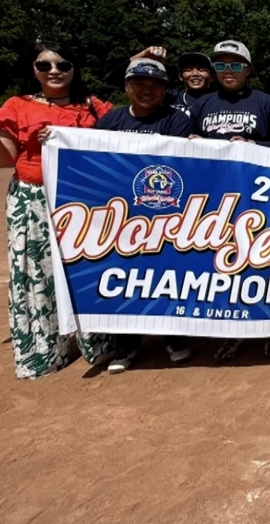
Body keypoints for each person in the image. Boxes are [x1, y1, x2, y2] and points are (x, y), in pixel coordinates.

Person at [0, 40, 115, 379]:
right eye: (44, 65)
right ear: (33, 70)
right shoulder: (18, 106)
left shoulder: (94, 107)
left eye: (63, 64)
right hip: (34, 198)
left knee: (89, 268)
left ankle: (100, 341)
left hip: (85, 199)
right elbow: (4, 159)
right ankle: (42, 350)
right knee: (37, 271)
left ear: (74, 69)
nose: (54, 71)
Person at [189, 40, 270, 362]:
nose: (228, 71)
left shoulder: (265, 103)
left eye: (235, 65)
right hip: (215, 200)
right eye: (221, 65)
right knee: (226, 263)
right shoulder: (202, 104)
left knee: (266, 261)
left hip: (259, 197)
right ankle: (235, 330)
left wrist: (254, 145)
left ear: (249, 69)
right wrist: (191, 143)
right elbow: (180, 149)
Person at [94, 58, 195, 372]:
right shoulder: (111, 120)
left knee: (166, 275)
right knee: (120, 276)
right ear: (127, 86)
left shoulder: (176, 120)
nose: (147, 90)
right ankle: (126, 345)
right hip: (120, 213)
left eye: (155, 85)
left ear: (165, 90)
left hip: (164, 213)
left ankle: (173, 337)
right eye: (139, 84)